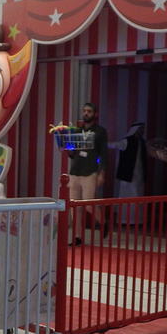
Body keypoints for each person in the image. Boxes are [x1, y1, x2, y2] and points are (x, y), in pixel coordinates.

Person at [66, 102, 108, 243]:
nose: (86, 114)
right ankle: (78, 236)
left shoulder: (100, 131)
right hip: (75, 171)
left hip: (90, 172)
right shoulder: (78, 131)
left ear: (95, 114)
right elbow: (74, 154)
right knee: (74, 206)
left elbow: (104, 153)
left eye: (89, 111)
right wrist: (67, 151)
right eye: (84, 111)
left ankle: (103, 221)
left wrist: (102, 172)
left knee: (89, 204)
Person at [108, 122, 146, 224]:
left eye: (142, 129)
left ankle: (136, 220)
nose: (142, 131)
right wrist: (103, 144)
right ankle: (125, 220)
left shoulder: (142, 142)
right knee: (128, 197)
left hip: (139, 174)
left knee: (137, 196)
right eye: (140, 129)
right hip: (128, 175)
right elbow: (115, 145)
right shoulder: (126, 141)